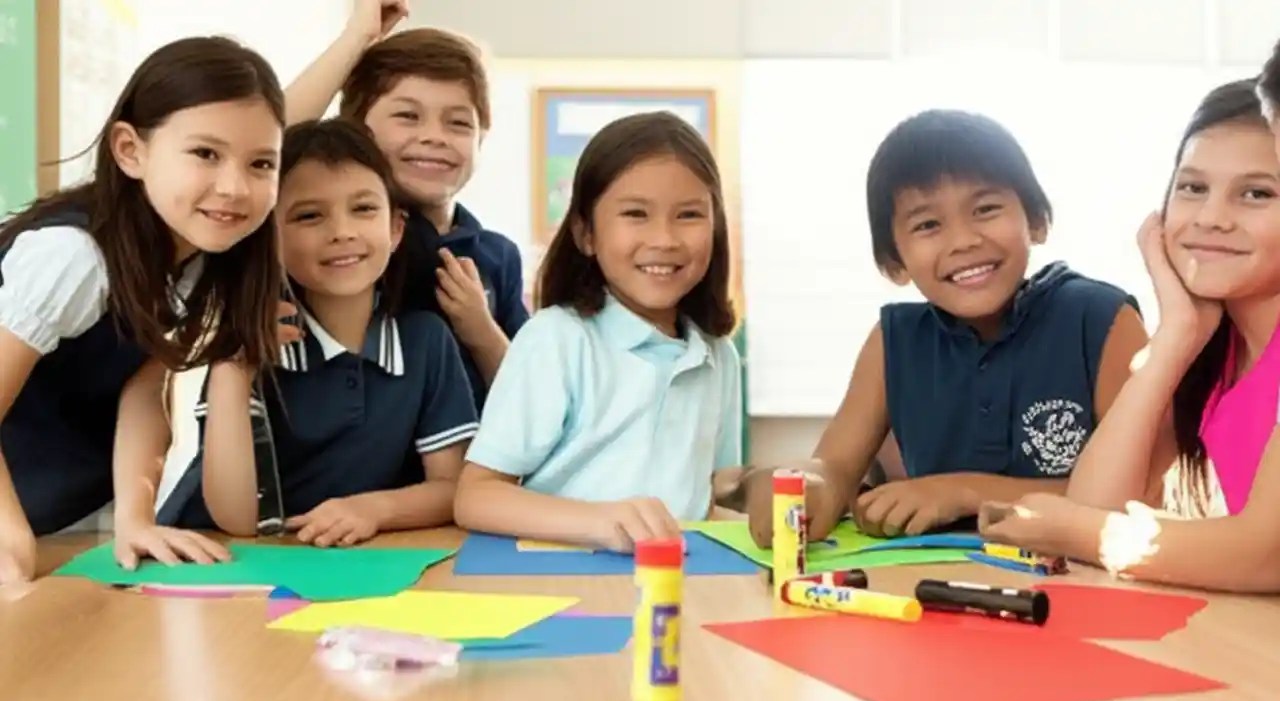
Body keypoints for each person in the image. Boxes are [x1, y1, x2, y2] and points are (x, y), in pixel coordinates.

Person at [745, 109, 1147, 546]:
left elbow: (1140, 495)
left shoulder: (1102, 320)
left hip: (1084, 587)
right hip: (931, 589)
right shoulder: (892, 341)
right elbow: (836, 467)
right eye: (928, 224)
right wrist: (805, 487)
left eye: (986, 208)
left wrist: (962, 492)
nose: (964, 241)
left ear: (1035, 220)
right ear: (894, 261)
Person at [0, 36, 290, 583]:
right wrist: (12, 546)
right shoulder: (75, 257)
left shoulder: (197, 252)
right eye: (205, 154)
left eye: (261, 163)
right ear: (131, 150)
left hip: (63, 515)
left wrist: (136, 518)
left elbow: (142, 386)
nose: (234, 186)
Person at [980, 78, 1280, 593]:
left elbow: (1264, 556)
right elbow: (1099, 503)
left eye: (1256, 194)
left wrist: (1074, 531)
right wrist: (1175, 337)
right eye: (1192, 188)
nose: (1211, 218)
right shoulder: (1211, 355)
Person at [158, 119, 478, 547]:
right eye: (310, 215)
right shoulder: (249, 343)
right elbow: (236, 517)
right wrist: (233, 370)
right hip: (227, 563)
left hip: (357, 560)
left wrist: (374, 510)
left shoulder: (426, 341)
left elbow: (454, 488)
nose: (342, 232)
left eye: (363, 209)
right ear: (268, 240)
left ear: (396, 229)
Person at [453, 112, 742, 551]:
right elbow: (476, 496)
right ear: (585, 233)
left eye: (688, 215)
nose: (664, 238)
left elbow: (713, 493)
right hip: (561, 583)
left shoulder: (719, 356)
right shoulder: (556, 340)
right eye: (635, 214)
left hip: (677, 583)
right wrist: (600, 521)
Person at [286, 0, 528, 410]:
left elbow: (536, 395)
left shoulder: (497, 256)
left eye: (458, 123)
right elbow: (261, 148)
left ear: (481, 137)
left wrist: (481, 330)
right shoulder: (345, 242)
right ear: (356, 126)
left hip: (467, 468)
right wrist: (356, 38)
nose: (435, 136)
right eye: (408, 116)